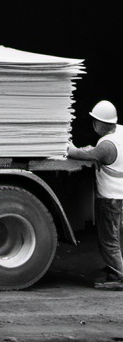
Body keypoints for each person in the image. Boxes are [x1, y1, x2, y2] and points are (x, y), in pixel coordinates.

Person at [67, 99, 123, 291]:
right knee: (115, 237)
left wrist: (65, 143)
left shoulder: (106, 146)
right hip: (120, 197)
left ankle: (119, 277)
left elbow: (78, 154)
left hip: (110, 199)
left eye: (94, 122)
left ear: (98, 123)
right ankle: (114, 269)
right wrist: (94, 150)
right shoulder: (120, 133)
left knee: (109, 241)